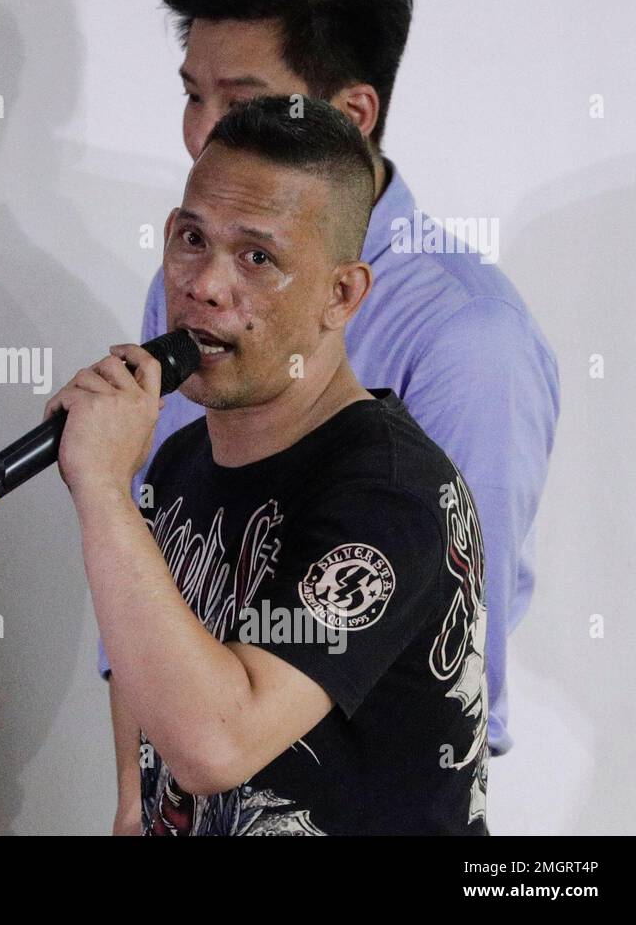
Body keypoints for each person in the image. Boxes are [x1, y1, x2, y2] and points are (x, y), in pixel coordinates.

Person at [101, 0, 558, 821]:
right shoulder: (189, 283)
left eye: (243, 104)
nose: (204, 135)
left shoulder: (469, 334)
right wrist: (134, 797)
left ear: (351, 113)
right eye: (193, 97)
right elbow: (156, 561)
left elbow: (460, 664)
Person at [52, 96, 488, 835]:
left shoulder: (390, 491)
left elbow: (219, 742)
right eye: (193, 239)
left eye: (258, 257)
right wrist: (135, 806)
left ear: (340, 294)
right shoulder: (182, 458)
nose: (206, 285)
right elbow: (150, 651)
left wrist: (99, 487)